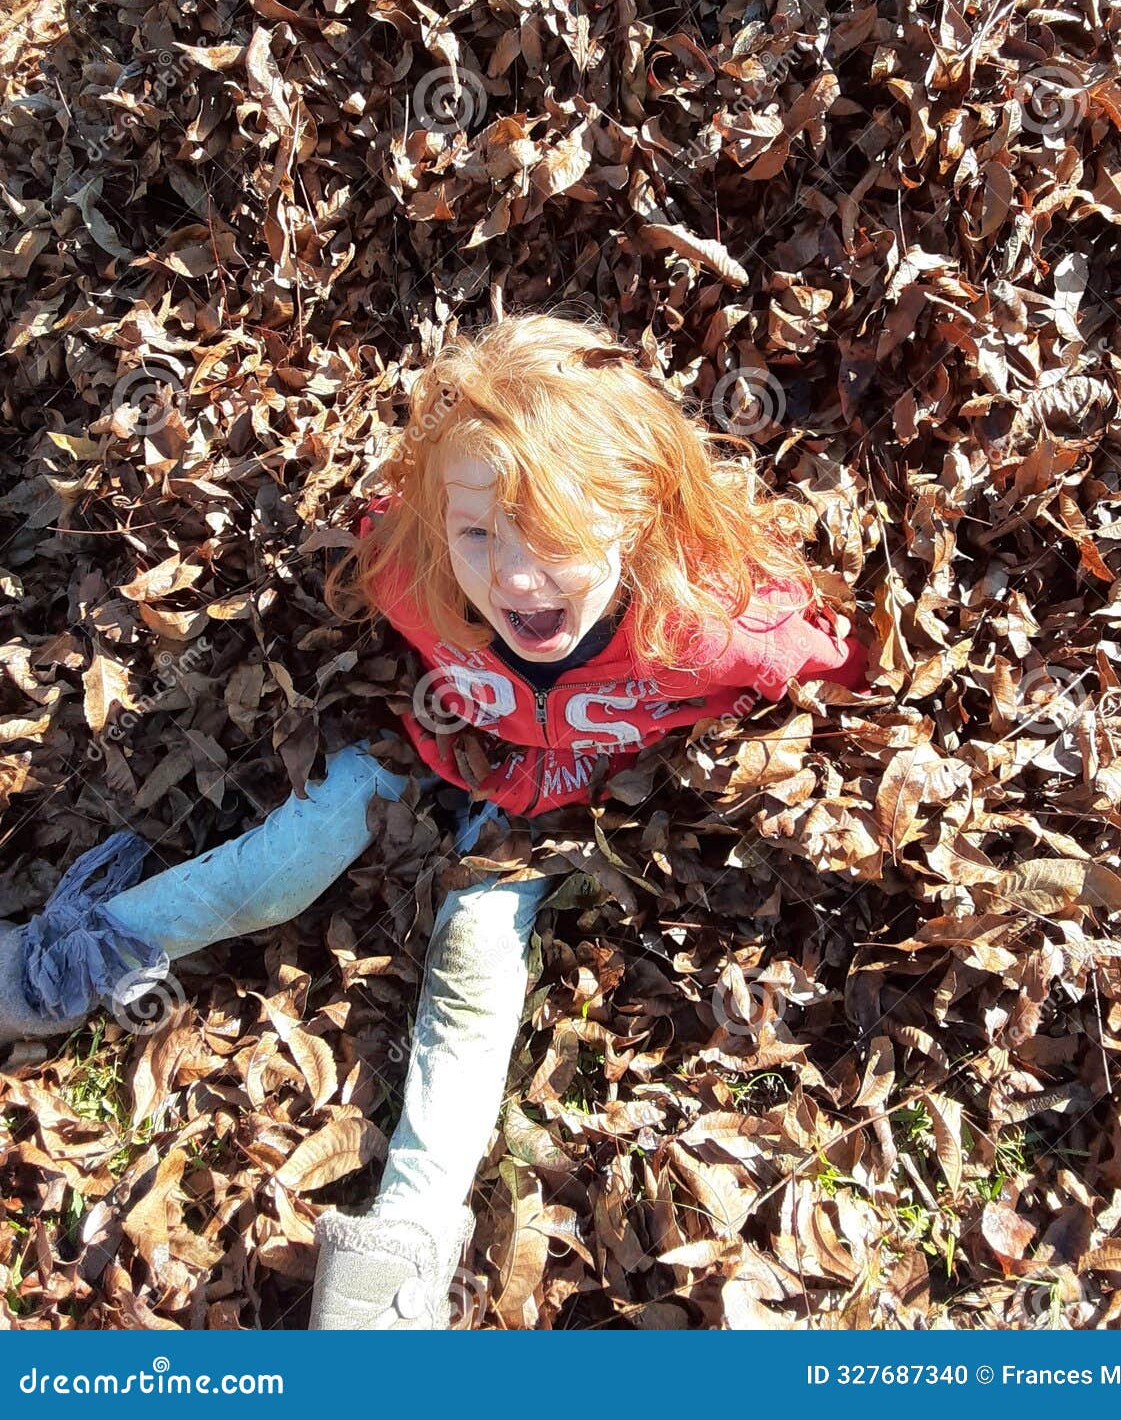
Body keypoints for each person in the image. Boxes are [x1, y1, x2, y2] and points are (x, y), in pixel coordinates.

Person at [0, 311, 869, 1330]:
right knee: (277, 866)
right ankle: (61, 963)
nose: (513, 576)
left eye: (553, 532)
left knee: (475, 961)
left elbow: (831, 660)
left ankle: (405, 1241)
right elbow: (386, 528)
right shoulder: (415, 572)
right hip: (427, 745)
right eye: (480, 533)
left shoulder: (700, 626)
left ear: (638, 515)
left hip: (543, 812)